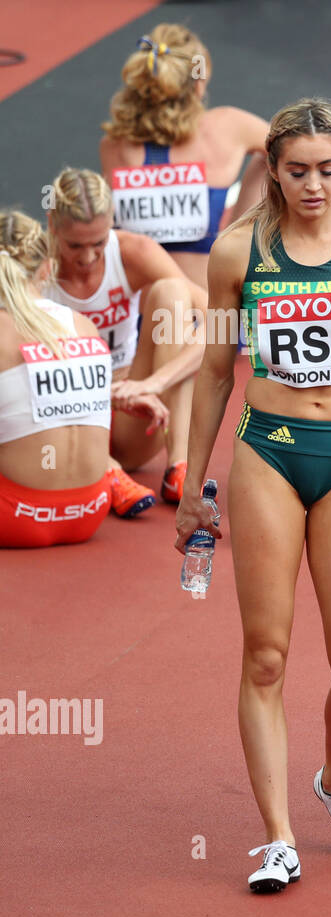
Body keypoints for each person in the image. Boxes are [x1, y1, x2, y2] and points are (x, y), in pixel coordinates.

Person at [174, 97, 331, 893]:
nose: (312, 185)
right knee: (268, 654)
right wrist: (190, 490)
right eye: (296, 171)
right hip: (269, 455)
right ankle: (278, 835)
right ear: (273, 170)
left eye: (327, 169)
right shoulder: (236, 252)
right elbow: (217, 372)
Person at [44, 168, 206, 514]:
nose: (88, 258)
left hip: (134, 415)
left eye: (98, 243)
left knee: (173, 291)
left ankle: (179, 466)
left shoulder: (134, 251)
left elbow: (221, 321)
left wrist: (151, 383)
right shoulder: (35, 268)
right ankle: (108, 473)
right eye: (75, 245)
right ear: (52, 224)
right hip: (67, 426)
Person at [1, 210, 166, 547]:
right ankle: (115, 477)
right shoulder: (82, 324)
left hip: (15, 516)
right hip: (89, 512)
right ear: (47, 267)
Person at [100, 24, 269, 290]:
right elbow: (296, 147)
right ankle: (238, 246)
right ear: (198, 83)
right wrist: (241, 233)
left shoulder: (113, 146)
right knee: (273, 161)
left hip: (137, 319)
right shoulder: (229, 126)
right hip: (210, 309)